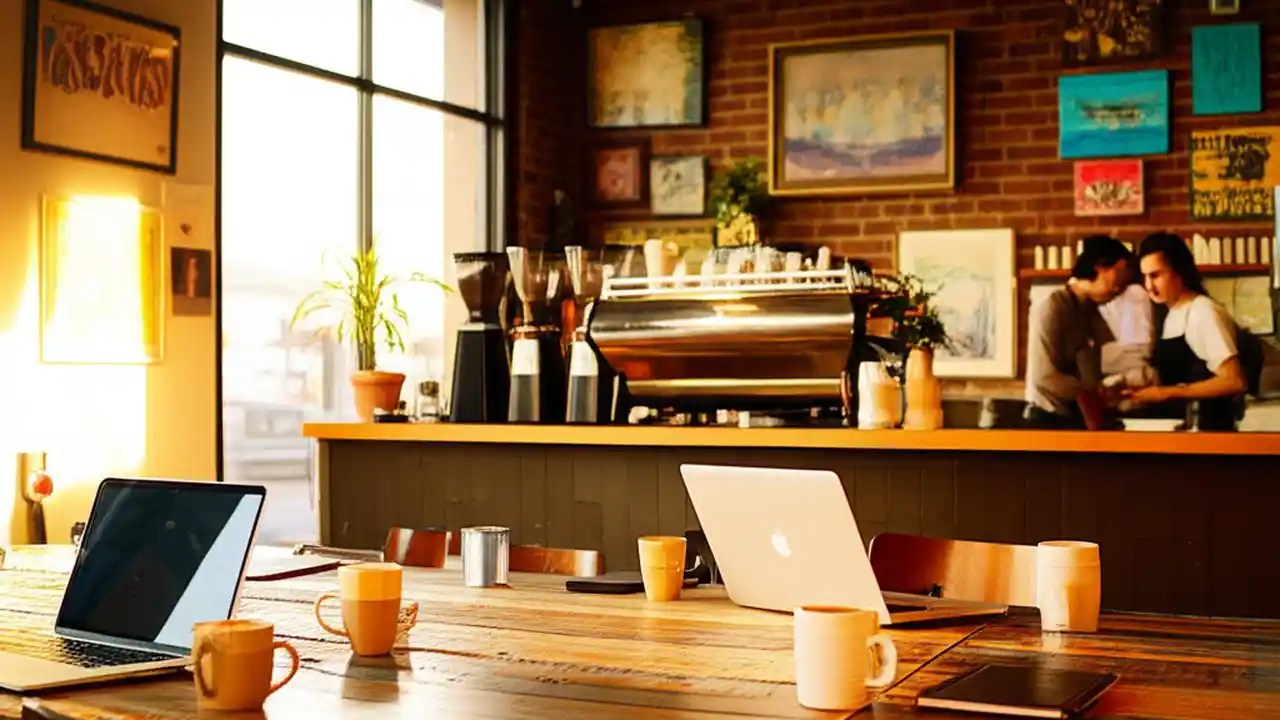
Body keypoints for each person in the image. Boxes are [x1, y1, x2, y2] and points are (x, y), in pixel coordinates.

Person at [1126, 232, 1247, 431]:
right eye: (1145, 277)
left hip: (1211, 433)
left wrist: (1170, 392)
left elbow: (1233, 381)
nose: (1149, 286)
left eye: (1155, 275)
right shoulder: (1170, 314)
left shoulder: (1203, 312)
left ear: (1179, 272)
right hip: (1182, 431)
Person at [1024, 235, 1134, 429]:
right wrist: (1092, 393)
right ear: (1099, 267)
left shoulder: (1090, 311)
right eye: (1119, 273)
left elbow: (1091, 374)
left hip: (1077, 419)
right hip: (1049, 420)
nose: (1121, 287)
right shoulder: (1055, 306)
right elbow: (1044, 377)